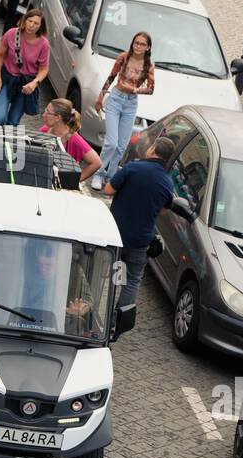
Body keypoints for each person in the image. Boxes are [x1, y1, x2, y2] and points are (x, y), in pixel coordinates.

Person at [105, 136, 176, 309]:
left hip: (116, 234)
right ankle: (120, 318)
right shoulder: (167, 182)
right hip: (140, 241)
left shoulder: (133, 167)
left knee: (112, 272)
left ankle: (104, 315)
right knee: (132, 281)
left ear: (152, 149)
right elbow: (165, 209)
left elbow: (108, 190)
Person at [93, 32, 155, 189]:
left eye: (142, 44)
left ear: (148, 47)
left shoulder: (149, 65)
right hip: (115, 98)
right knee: (111, 143)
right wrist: (100, 97)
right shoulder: (123, 57)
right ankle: (98, 173)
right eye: (136, 42)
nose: (138, 46)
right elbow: (111, 77)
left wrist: (134, 90)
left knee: (121, 145)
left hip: (131, 103)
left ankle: (111, 176)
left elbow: (151, 89)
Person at [0, 10, 49, 127]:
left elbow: (44, 69)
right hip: (7, 78)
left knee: (13, 122)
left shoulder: (44, 44)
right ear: (24, 20)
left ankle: (4, 144)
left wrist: (34, 83)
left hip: (25, 84)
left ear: (40, 26)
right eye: (30, 21)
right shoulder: (12, 34)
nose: (31, 25)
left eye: (36, 23)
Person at [40, 98, 102, 183]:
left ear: (58, 118)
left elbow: (96, 162)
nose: (43, 115)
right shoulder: (43, 130)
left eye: (47, 112)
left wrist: (73, 181)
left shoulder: (74, 139)